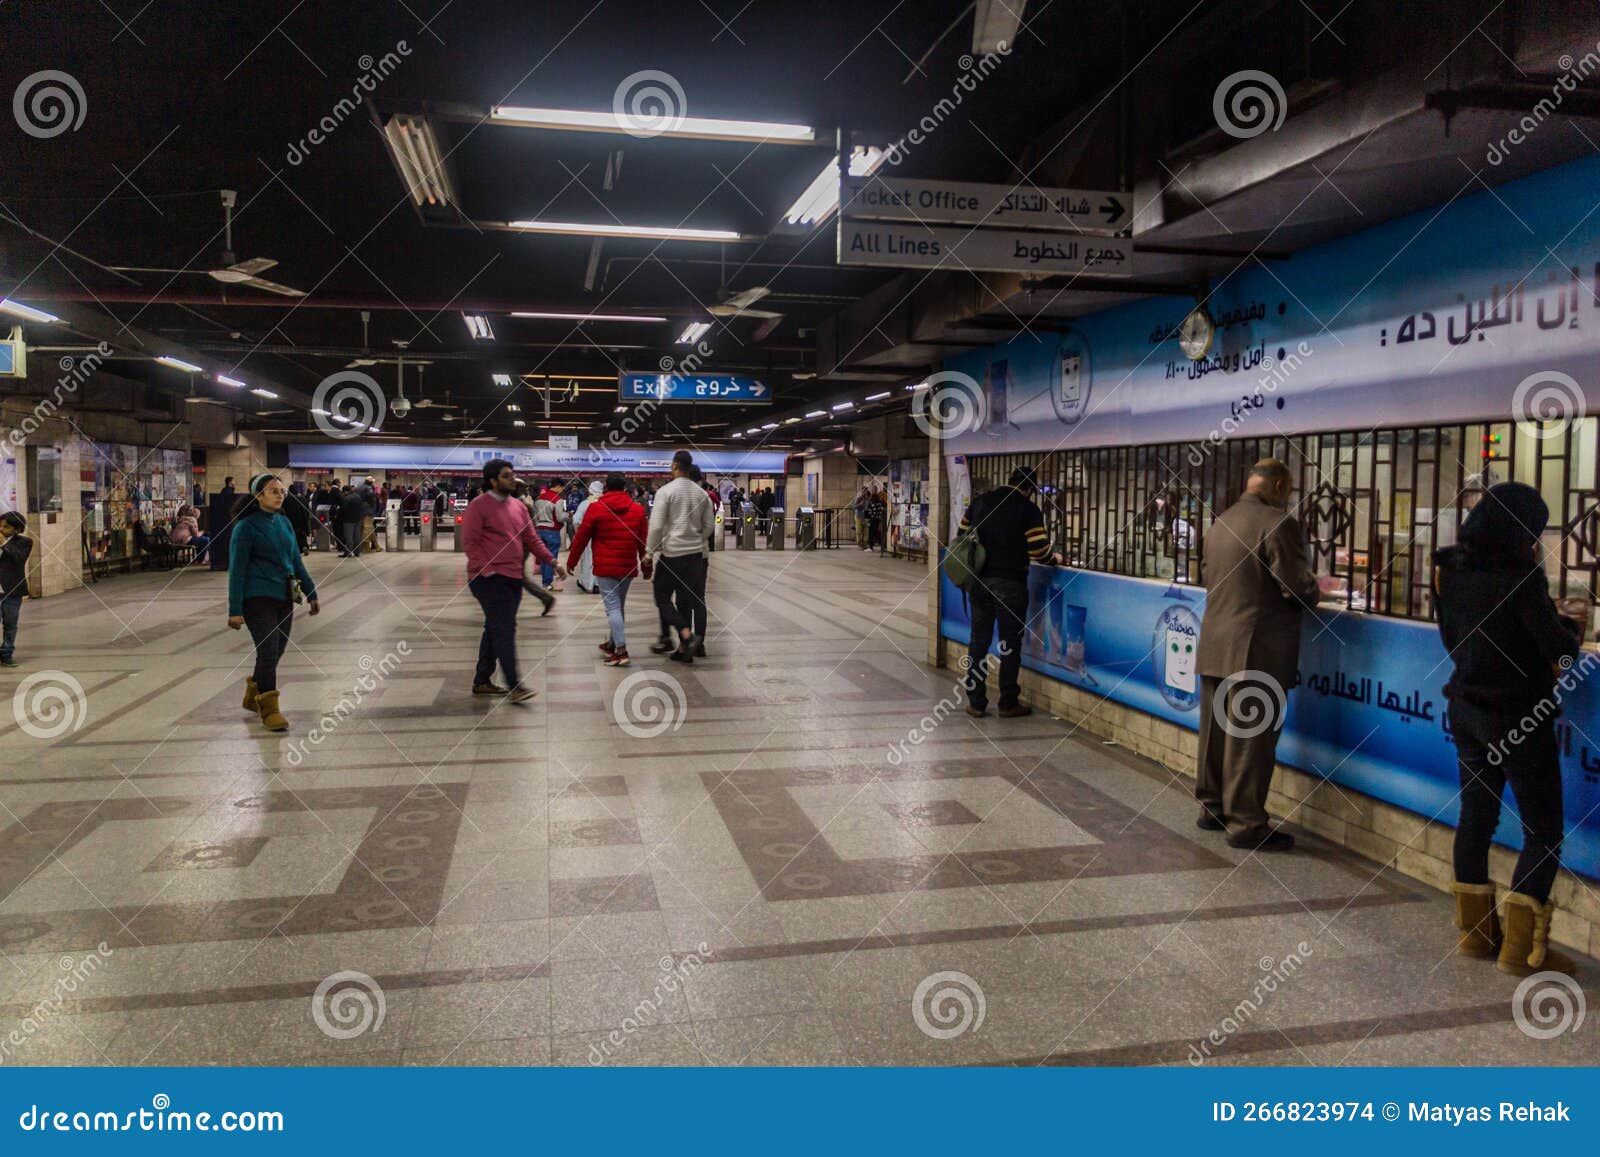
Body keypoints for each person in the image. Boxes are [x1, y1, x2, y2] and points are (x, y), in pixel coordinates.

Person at [1433, 481, 1584, 976]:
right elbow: (1557, 652)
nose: (1534, 542)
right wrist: (1573, 627)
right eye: (1533, 531)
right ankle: (1520, 952)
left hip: (1467, 707)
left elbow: (1455, 638)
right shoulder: (1521, 576)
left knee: (1476, 817)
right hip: (1518, 717)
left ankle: (1477, 938)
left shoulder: (1450, 569)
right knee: (1543, 831)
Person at [1194, 459, 1322, 853]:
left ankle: (1213, 806)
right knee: (1251, 736)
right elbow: (1296, 587)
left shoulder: (1220, 522)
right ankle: (1247, 822)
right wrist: (1316, 588)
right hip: (1257, 647)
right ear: (1280, 484)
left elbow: (1206, 576)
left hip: (1216, 640)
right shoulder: (1278, 522)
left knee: (1215, 733)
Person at [958, 466, 1061, 719]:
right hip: (1010, 585)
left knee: (978, 642)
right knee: (1009, 644)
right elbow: (1039, 550)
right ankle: (1007, 702)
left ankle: (976, 702)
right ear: (1029, 489)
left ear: (1010, 481)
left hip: (980, 583)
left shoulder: (981, 502)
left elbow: (961, 537)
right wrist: (1054, 558)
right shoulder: (1026, 508)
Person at [461, 459, 563, 703]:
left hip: (513, 577)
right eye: (506, 476)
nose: (512, 479)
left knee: (495, 627)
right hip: (487, 580)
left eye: (512, 475)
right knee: (505, 628)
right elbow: (470, 544)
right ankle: (514, 684)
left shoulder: (517, 506)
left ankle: (482, 680)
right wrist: (487, 570)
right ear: (493, 480)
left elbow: (532, 538)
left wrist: (552, 562)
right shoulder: (478, 506)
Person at [226, 474, 320, 732]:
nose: (279, 495)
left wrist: (311, 592)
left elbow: (296, 561)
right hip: (257, 598)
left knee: (276, 651)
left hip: (284, 596)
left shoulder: (284, 522)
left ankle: (252, 695)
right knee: (267, 651)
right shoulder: (245, 527)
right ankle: (270, 709)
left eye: (281, 491)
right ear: (258, 496)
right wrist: (235, 610)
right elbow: (237, 570)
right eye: (273, 491)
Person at [568, 473, 649, 666]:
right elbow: (643, 543)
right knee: (618, 606)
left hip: (605, 566)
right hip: (627, 565)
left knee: (612, 607)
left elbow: (581, 537)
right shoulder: (637, 510)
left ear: (606, 488)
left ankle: (621, 651)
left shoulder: (596, 508)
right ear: (624, 488)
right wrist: (647, 567)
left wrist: (572, 561)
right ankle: (612, 643)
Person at [647, 450, 712, 663]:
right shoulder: (701, 493)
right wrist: (696, 540)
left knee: (662, 596)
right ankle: (685, 650)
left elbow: (656, 526)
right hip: (695, 556)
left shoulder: (666, 492)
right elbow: (709, 526)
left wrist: (650, 552)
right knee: (686, 600)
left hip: (672, 553)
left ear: (675, 466)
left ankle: (686, 635)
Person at [0, 512, 33, 668]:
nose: (1, 528)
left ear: (17, 529)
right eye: (0, 524)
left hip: (12, 590)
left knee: (10, 623)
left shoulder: (25, 542)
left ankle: (6, 653)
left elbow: (19, 559)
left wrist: (4, 544)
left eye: (6, 526)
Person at [531, 479, 567, 591]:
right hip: (552, 531)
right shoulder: (558, 499)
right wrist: (568, 515)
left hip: (540, 530)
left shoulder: (538, 499)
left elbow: (535, 515)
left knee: (544, 557)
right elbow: (560, 517)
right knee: (551, 557)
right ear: (558, 486)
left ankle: (545, 582)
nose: (562, 490)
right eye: (562, 488)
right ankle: (547, 582)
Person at [570, 480, 605, 594]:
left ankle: (588, 584)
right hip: (602, 538)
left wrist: (579, 532)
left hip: (588, 538)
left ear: (590, 491)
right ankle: (598, 584)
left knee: (587, 561)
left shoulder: (585, 504)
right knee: (599, 561)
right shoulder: (604, 503)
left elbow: (575, 520)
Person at [337, 484, 365, 558]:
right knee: (357, 537)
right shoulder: (358, 497)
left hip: (348, 520)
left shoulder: (347, 498)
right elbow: (362, 507)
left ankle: (348, 552)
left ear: (345, 491)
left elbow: (343, 509)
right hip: (358, 519)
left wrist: (338, 515)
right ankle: (357, 552)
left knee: (349, 537)